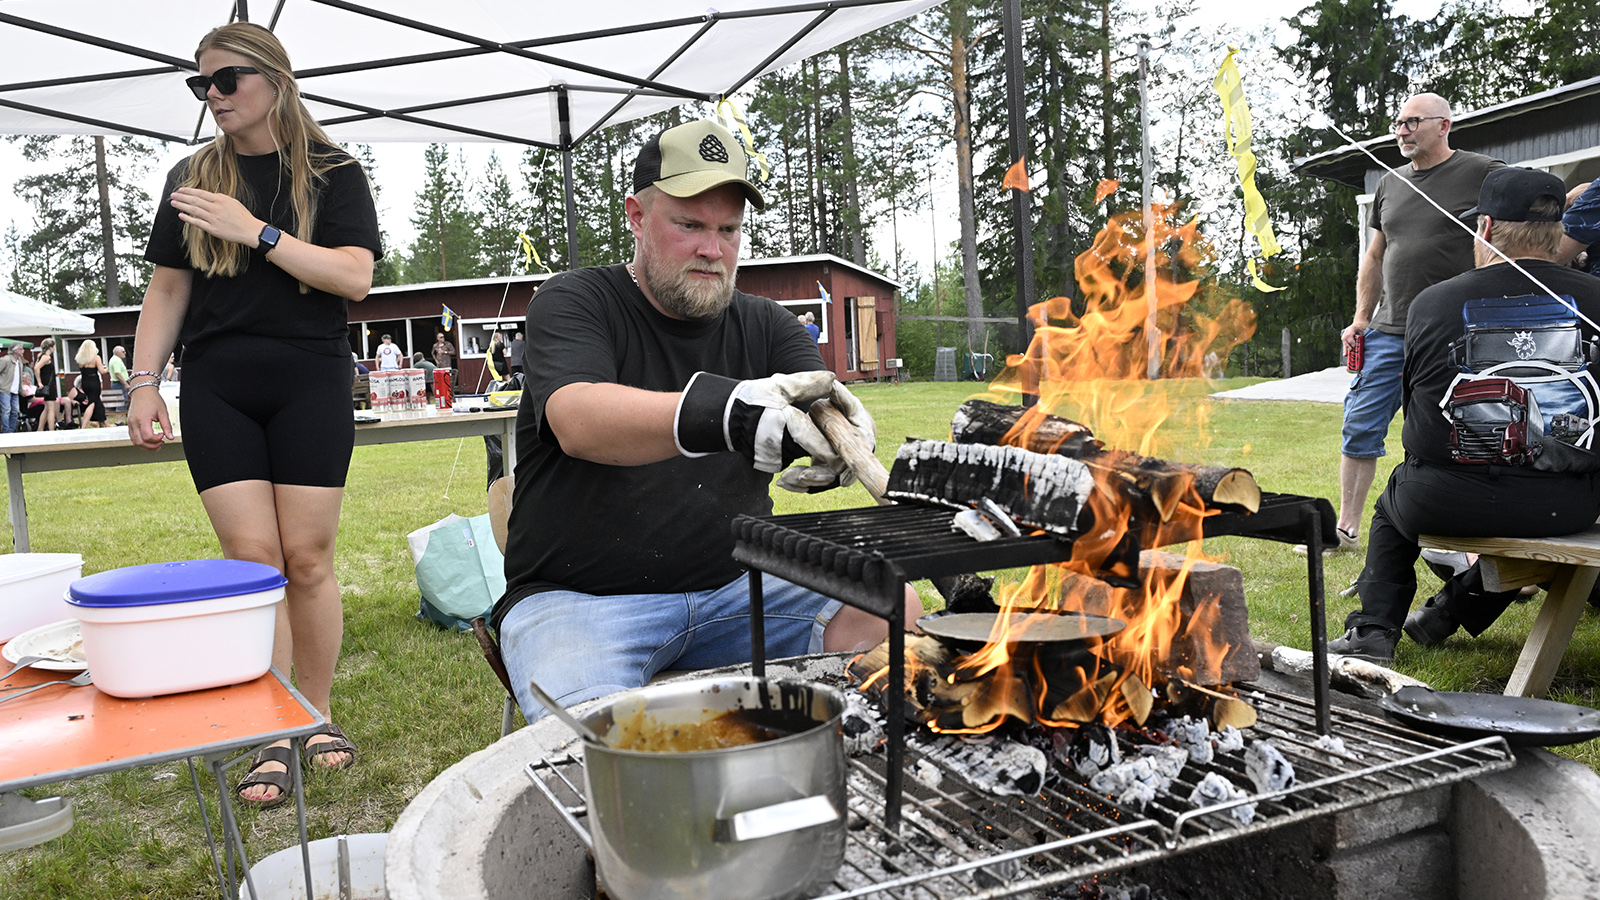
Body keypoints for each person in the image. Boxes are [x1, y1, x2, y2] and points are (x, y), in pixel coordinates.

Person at [491, 119, 921, 722]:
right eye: (689, 225)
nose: (712, 249)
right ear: (637, 217)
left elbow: (819, 401)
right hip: (581, 602)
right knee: (597, 746)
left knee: (891, 608)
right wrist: (725, 412)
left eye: (728, 229)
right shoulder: (575, 300)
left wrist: (844, 430)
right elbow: (577, 419)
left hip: (742, 585)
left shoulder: (767, 324)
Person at [127, 22, 382, 810]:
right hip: (217, 384)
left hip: (308, 376)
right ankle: (273, 728)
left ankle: (317, 714)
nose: (211, 97)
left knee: (306, 558)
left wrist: (257, 232)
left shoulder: (333, 174)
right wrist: (142, 381)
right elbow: (168, 290)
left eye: (226, 80)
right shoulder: (192, 175)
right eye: (199, 84)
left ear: (274, 79)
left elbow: (355, 279)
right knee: (253, 563)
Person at [1328, 167, 1600, 662]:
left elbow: (1419, 418)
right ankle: (1445, 615)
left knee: (1392, 507)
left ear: (1487, 228)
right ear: (1559, 232)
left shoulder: (1434, 302)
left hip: (1444, 499)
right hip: (1567, 505)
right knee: (1518, 501)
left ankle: (1373, 632)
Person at [1325, 94, 1503, 555]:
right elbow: (1376, 255)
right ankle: (1345, 530)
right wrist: (1362, 317)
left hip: (1454, 330)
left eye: (1411, 122)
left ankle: (1466, 536)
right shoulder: (1389, 183)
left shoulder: (1483, 172)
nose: (1401, 131)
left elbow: (1510, 236)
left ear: (1444, 125)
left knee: (1458, 431)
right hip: (1388, 330)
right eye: (1397, 123)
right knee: (1360, 422)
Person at [74, 340, 106, 428]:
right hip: (94, 381)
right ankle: (84, 426)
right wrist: (106, 369)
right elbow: (102, 371)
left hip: (85, 382)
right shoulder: (96, 358)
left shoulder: (80, 359)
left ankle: (103, 423)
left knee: (97, 402)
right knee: (92, 402)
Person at [32, 337, 62, 431]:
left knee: (46, 408)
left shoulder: (41, 356)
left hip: (46, 383)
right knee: (51, 408)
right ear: (51, 347)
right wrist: (39, 382)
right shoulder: (46, 357)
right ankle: (51, 429)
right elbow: (36, 368)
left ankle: (40, 429)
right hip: (48, 385)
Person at [0, 343, 25, 433]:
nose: (23, 350)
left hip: (15, 390)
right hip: (4, 389)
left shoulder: (19, 362)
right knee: (6, 410)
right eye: (21, 349)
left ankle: (11, 430)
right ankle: (6, 431)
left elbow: (19, 377)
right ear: (15, 350)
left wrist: (21, 390)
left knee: (15, 411)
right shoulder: (5, 360)